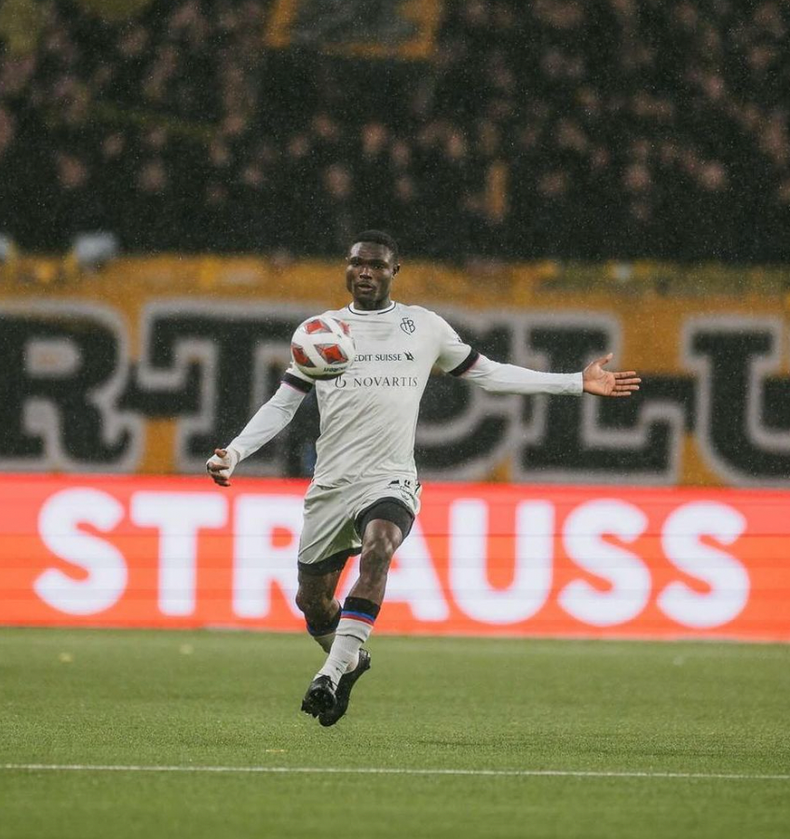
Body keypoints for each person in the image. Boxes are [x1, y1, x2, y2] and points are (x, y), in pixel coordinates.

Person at [206, 229, 641, 726]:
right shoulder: (321, 332)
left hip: (389, 479)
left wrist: (574, 383)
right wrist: (235, 452)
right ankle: (351, 660)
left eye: (376, 265)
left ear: (395, 271)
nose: (364, 272)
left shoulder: (423, 327)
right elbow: (283, 404)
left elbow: (489, 373)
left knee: (379, 550)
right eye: (356, 263)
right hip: (331, 486)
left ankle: (328, 674)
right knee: (313, 603)